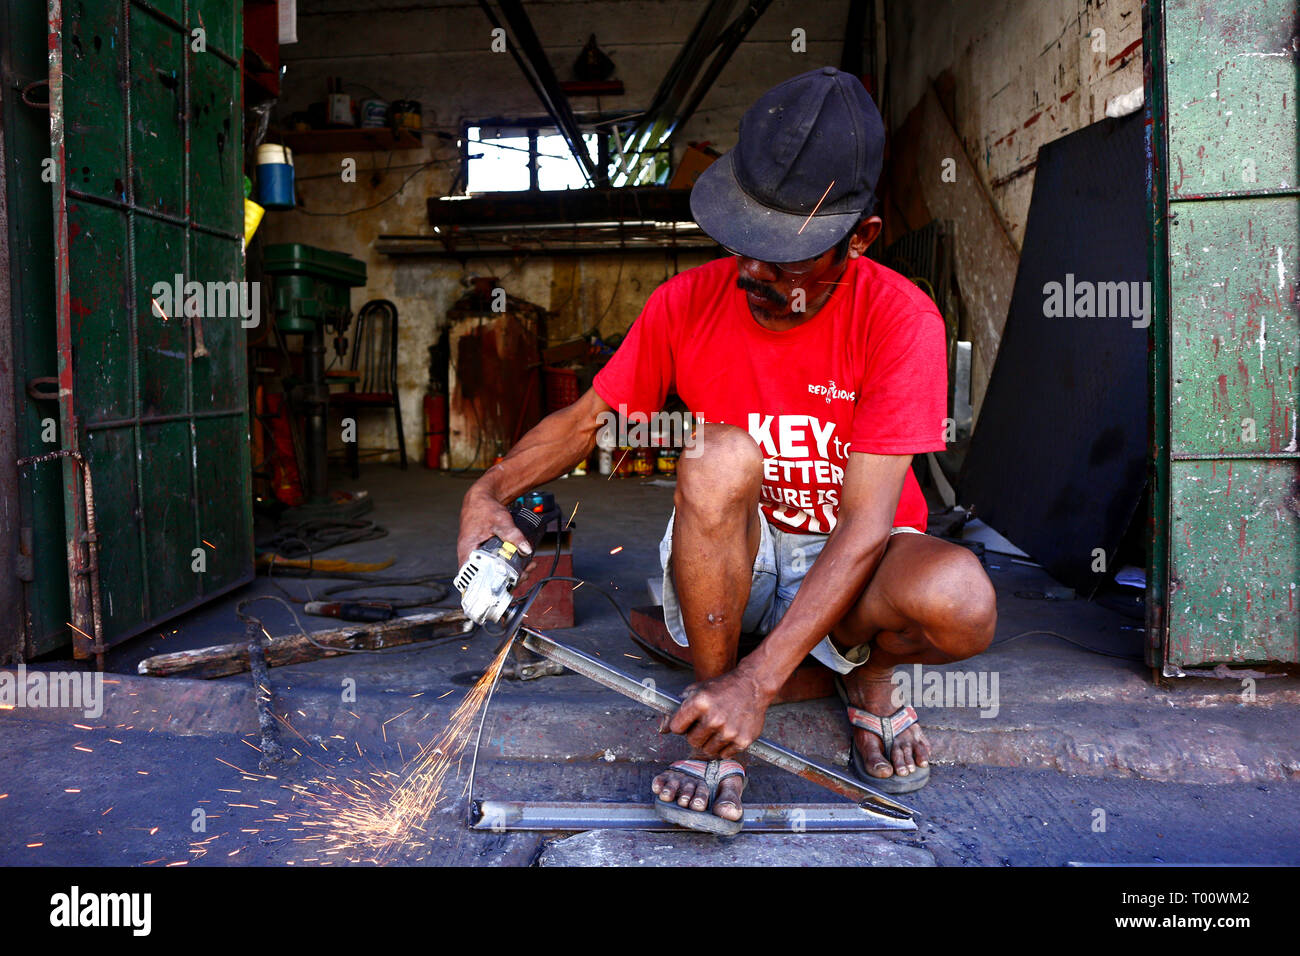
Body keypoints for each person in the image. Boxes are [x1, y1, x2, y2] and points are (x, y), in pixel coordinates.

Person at [457, 66, 997, 834]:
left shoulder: (901, 319)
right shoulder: (686, 302)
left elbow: (868, 524)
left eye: (784, 256)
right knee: (717, 456)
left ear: (862, 237)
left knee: (963, 600)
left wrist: (762, 682)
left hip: (851, 558)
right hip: (731, 556)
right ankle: (716, 725)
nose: (750, 271)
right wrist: (487, 492)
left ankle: (866, 678)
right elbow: (586, 424)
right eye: (742, 241)